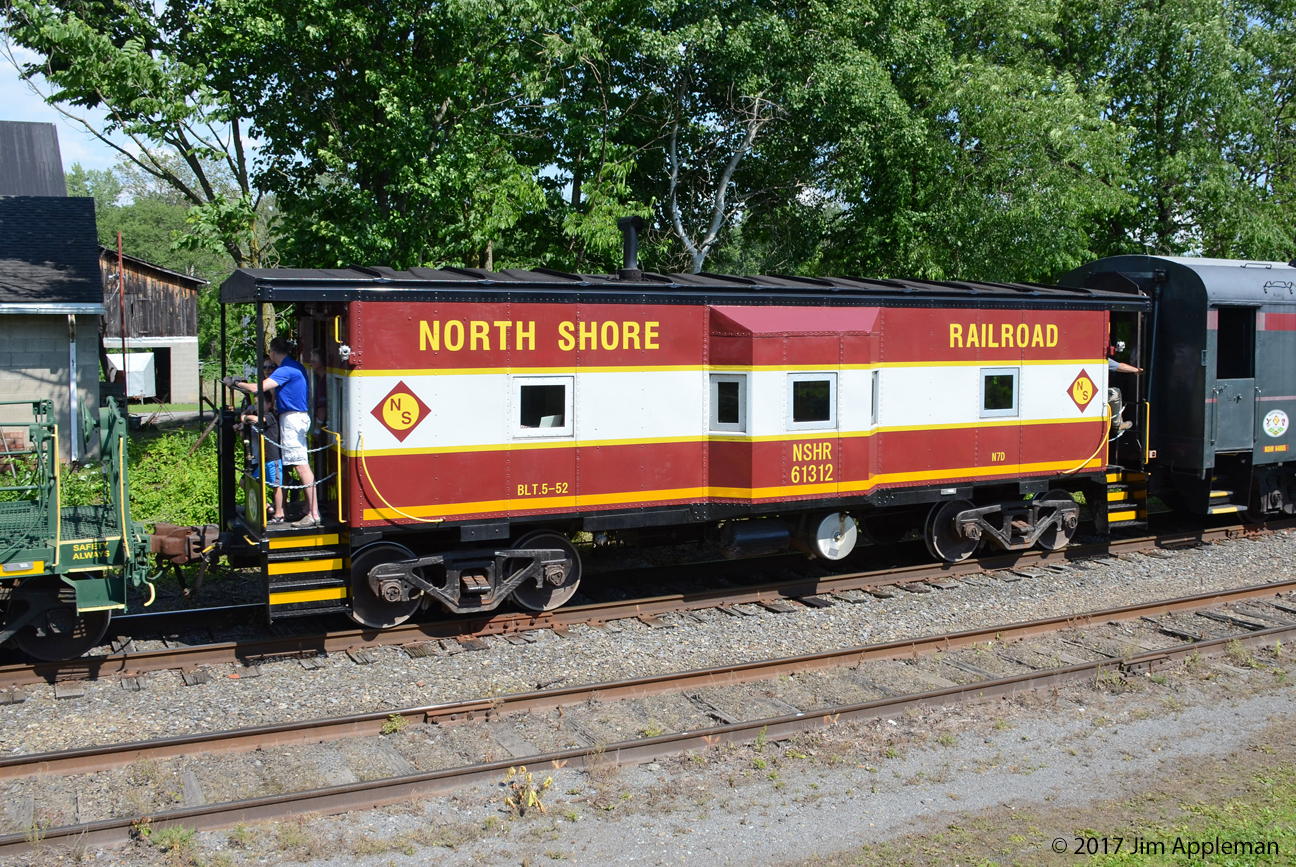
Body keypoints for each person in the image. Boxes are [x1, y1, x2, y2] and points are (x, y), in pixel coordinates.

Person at [224, 336, 320, 528]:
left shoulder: (286, 369)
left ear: (272, 353)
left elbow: (256, 388)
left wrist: (235, 383)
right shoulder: (296, 366)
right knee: (296, 464)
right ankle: (303, 509)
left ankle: (313, 513)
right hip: (293, 417)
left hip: (292, 418)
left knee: (301, 465)